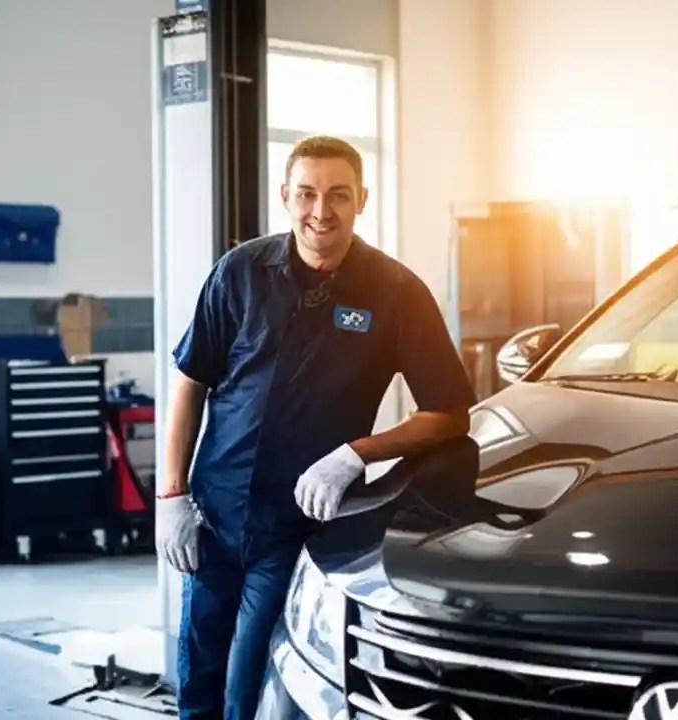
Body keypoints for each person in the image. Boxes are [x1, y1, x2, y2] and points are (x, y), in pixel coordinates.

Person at [156, 135, 475, 718]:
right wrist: (171, 494)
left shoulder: (397, 292)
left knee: (248, 685)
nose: (320, 211)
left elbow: (450, 413)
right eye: (306, 193)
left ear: (362, 201)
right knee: (197, 677)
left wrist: (356, 453)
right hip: (213, 520)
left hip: (297, 526)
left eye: (338, 195)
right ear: (285, 196)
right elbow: (190, 381)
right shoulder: (240, 272)